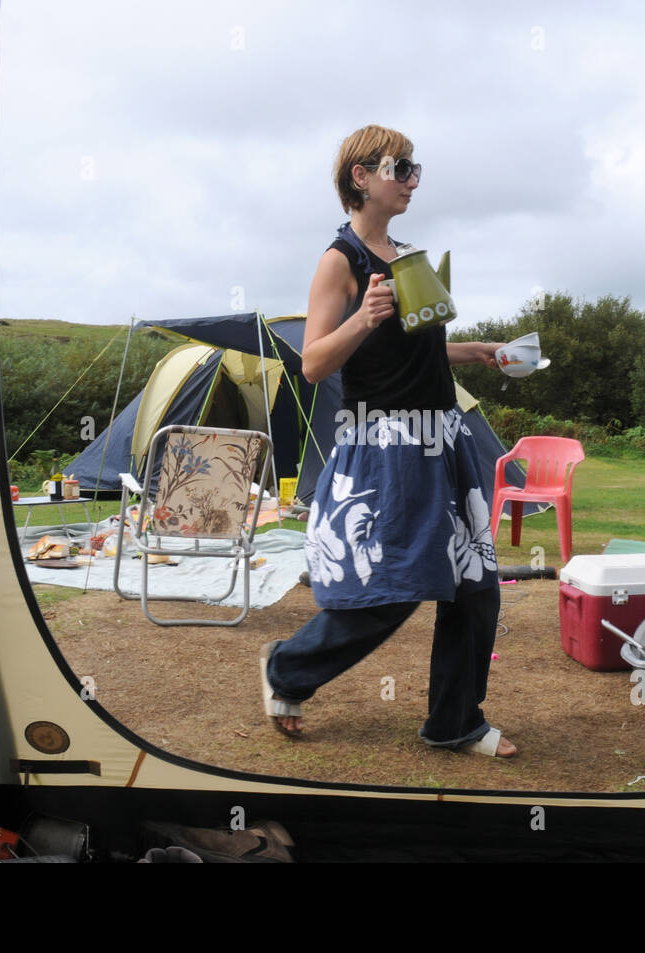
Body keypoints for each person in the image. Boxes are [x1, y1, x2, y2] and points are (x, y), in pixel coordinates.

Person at [259, 123, 517, 758]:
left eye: (414, 169)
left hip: (442, 441)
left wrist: (474, 353)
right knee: (394, 587)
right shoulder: (340, 260)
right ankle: (286, 670)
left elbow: (417, 350)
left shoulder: (408, 257)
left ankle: (455, 721)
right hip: (385, 448)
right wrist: (363, 317)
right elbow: (314, 362)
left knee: (475, 587)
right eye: (399, 168)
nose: (410, 180)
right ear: (360, 177)